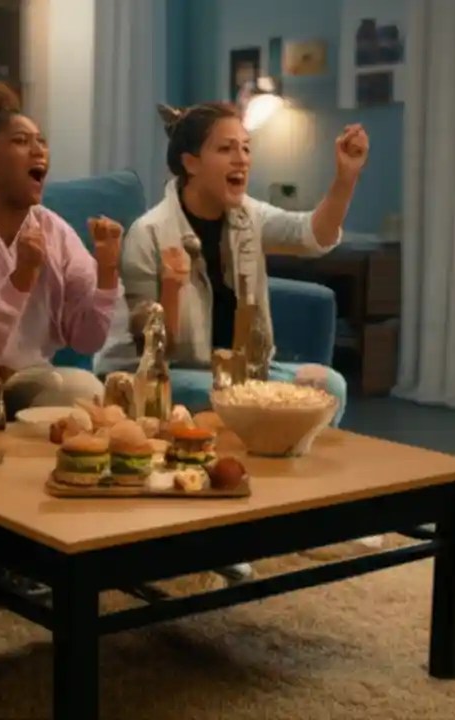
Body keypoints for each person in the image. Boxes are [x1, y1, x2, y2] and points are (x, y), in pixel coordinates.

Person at [97, 102, 368, 585]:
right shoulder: (149, 233)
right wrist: (171, 288)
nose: (241, 158)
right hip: (158, 374)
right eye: (225, 149)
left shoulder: (249, 216)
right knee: (227, 401)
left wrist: (345, 178)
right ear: (190, 162)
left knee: (329, 386)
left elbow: (314, 234)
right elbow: (154, 350)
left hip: (238, 371)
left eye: (246, 148)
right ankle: (222, 532)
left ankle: (293, 515)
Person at [0, 81, 121, 415]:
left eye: (41, 141)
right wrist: (21, 277)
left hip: (37, 378)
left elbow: (87, 340)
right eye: (20, 141)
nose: (38, 151)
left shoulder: (53, 229)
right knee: (80, 391)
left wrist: (106, 272)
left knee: (92, 396)